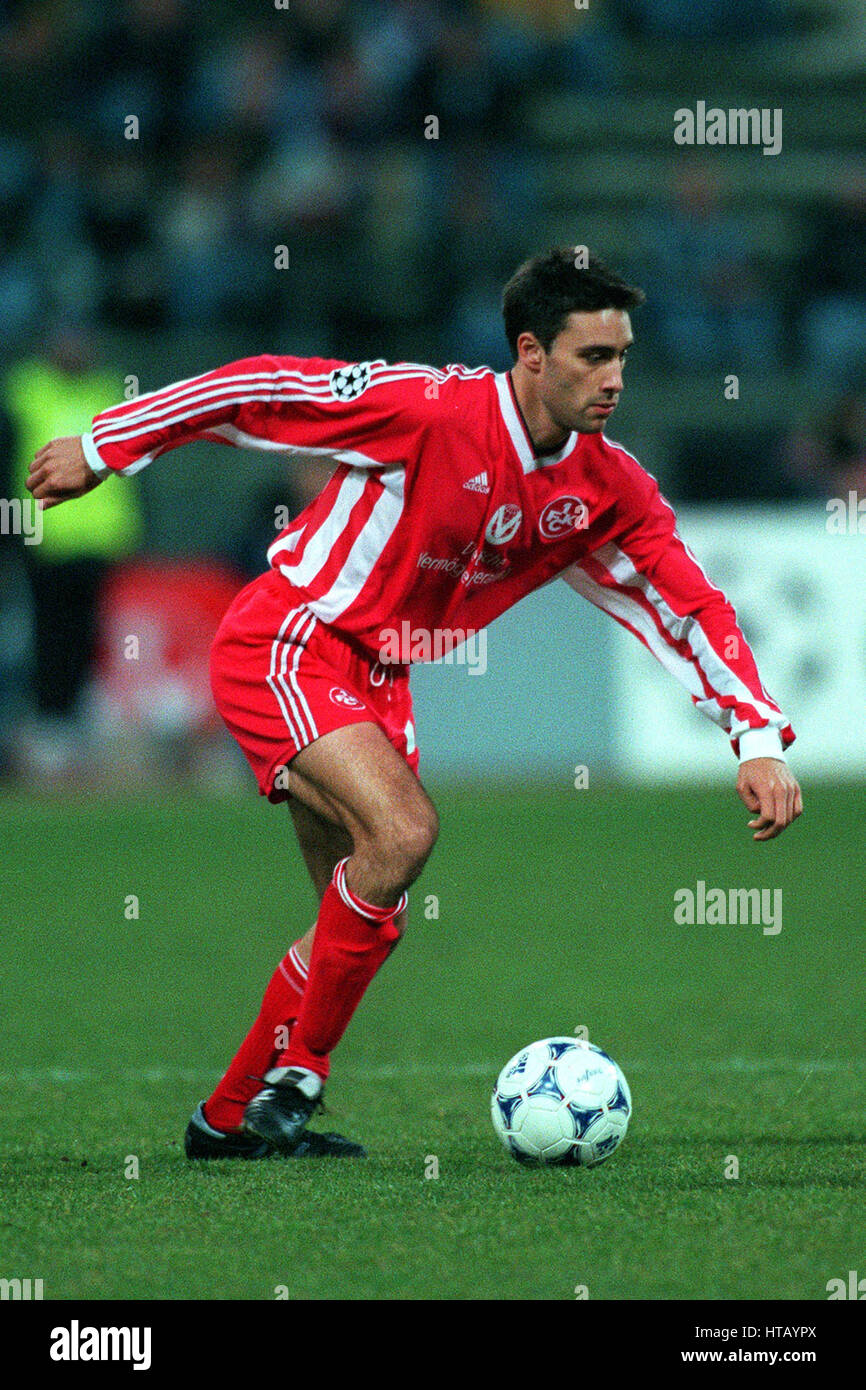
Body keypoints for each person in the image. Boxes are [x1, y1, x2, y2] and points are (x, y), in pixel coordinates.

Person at [26, 248, 803, 1160]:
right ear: (531, 354)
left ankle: (229, 1120)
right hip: (292, 636)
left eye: (623, 355)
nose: (615, 379)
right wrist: (106, 446)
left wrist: (755, 734)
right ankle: (298, 1078)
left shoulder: (605, 487)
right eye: (593, 357)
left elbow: (685, 603)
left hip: (380, 682)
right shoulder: (430, 407)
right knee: (402, 834)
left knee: (360, 917)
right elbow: (260, 386)